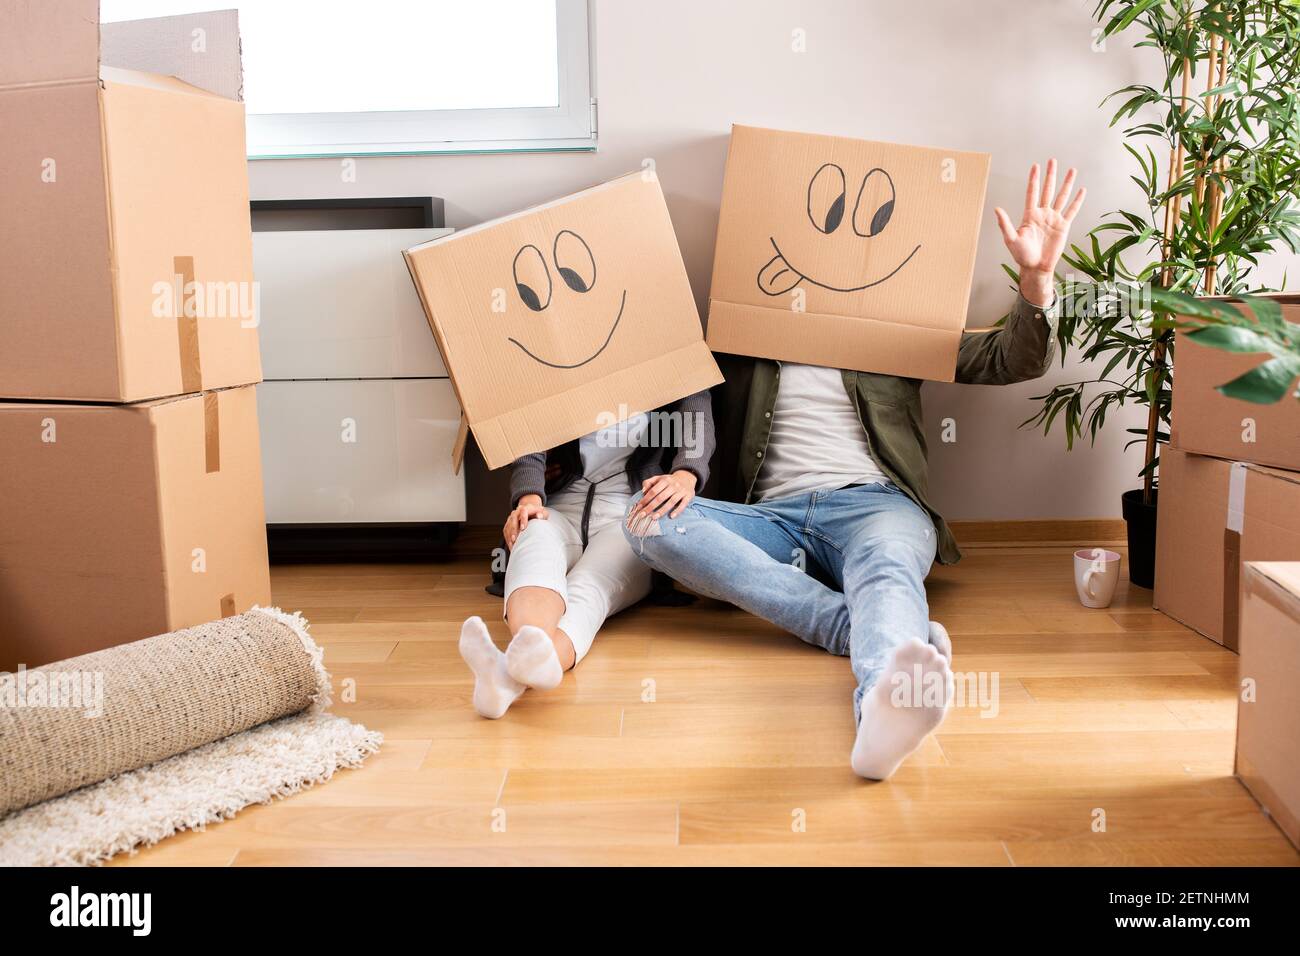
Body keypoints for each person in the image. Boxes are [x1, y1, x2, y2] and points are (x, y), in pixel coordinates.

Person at [624, 160, 1085, 779]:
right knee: (646, 524)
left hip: (877, 507)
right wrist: (683, 472)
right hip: (774, 520)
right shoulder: (740, 329)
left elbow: (1013, 359)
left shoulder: (894, 326)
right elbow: (673, 387)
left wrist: (1036, 279)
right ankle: (867, 630)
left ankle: (880, 718)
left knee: (887, 570)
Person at [460, 391, 715, 717]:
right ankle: (527, 663)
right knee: (534, 533)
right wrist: (528, 499)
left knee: (590, 584)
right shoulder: (554, 358)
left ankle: (506, 674)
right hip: (560, 507)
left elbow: (697, 414)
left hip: (628, 514)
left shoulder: (666, 354)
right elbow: (528, 427)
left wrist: (686, 474)